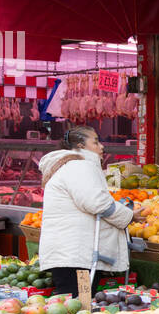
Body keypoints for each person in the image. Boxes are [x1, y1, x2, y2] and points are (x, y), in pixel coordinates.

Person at [36, 126, 144, 296]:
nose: (101, 147)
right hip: (75, 255)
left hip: (69, 253)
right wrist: (129, 216)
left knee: (72, 304)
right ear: (81, 145)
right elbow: (97, 203)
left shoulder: (69, 165)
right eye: (95, 142)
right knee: (79, 304)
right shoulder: (79, 166)